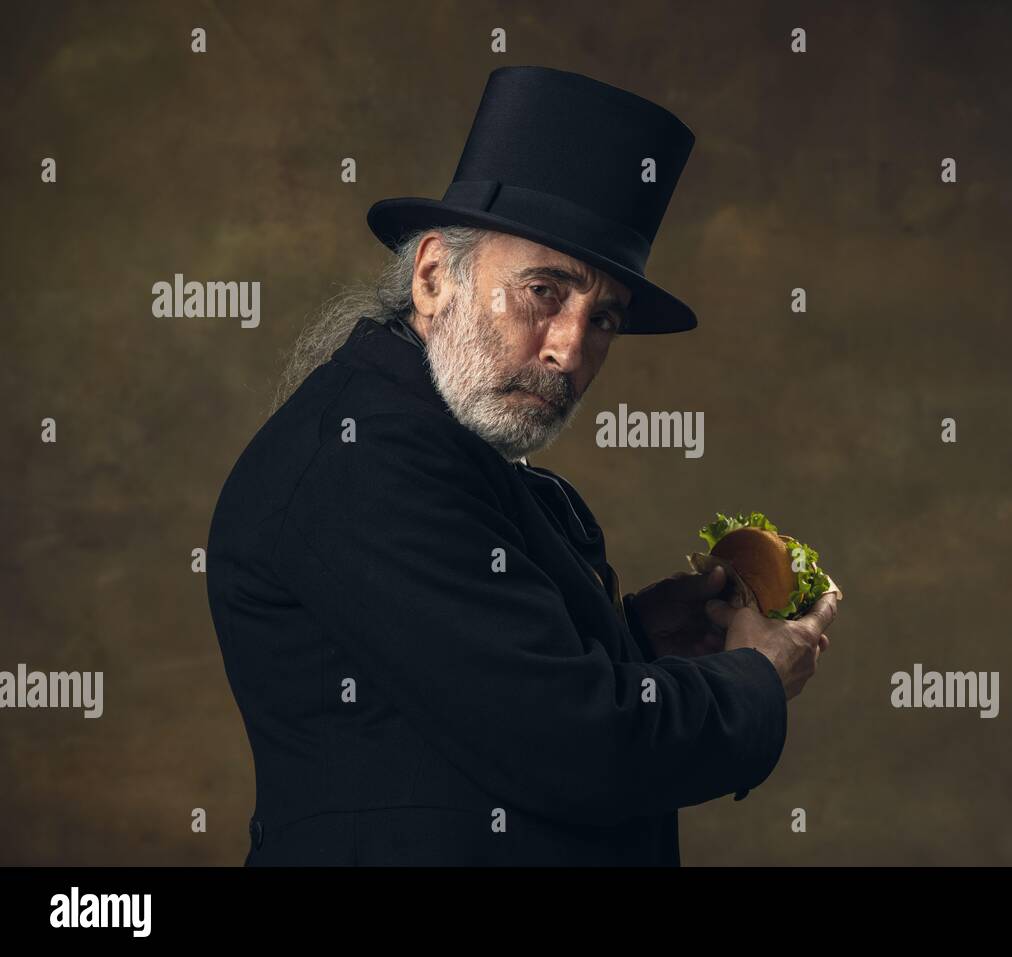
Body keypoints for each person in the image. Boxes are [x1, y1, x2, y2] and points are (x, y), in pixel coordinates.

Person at [205, 66, 838, 866]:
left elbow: (457, 703)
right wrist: (756, 676)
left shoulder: (438, 439)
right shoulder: (372, 458)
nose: (570, 349)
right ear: (435, 276)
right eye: (544, 289)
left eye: (602, 316)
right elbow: (578, 746)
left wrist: (633, 639)